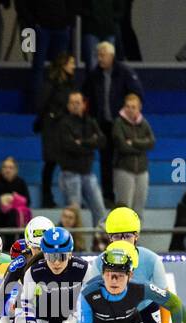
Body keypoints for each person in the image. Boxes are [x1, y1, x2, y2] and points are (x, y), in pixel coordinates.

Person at [83, 41, 142, 205]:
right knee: (105, 160)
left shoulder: (124, 72)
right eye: (98, 55)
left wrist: (128, 117)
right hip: (103, 124)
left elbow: (137, 94)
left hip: (122, 125)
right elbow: (86, 97)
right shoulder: (94, 75)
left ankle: (124, 198)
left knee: (123, 159)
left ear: (111, 56)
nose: (99, 58)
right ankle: (108, 195)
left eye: (102, 55)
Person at [54, 90, 107, 227]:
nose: (75, 105)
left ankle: (99, 243)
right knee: (73, 215)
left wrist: (81, 142)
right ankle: (73, 244)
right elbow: (69, 146)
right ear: (68, 106)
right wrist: (90, 143)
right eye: (72, 103)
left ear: (83, 104)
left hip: (88, 173)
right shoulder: (63, 123)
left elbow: (102, 141)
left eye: (78, 102)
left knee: (100, 211)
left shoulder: (90, 121)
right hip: (70, 174)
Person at [34, 52, 76, 207]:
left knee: (68, 163)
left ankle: (73, 198)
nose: (73, 66)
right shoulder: (51, 83)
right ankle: (47, 196)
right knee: (51, 162)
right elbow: (42, 104)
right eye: (71, 63)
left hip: (65, 127)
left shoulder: (70, 83)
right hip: (52, 127)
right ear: (64, 65)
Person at [112, 92, 153, 216]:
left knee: (139, 207)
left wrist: (133, 142)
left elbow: (151, 142)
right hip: (124, 169)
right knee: (124, 207)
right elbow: (122, 146)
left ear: (139, 108)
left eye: (133, 107)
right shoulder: (118, 123)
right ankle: (122, 234)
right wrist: (141, 147)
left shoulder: (144, 123)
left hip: (142, 170)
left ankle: (136, 234)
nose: (130, 109)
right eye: (128, 106)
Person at [0, 156, 31, 226]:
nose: (7, 170)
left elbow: (27, 201)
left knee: (15, 214)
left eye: (10, 168)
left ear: (15, 170)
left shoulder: (21, 182)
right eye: (5, 167)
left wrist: (14, 200)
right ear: (1, 170)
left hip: (16, 215)